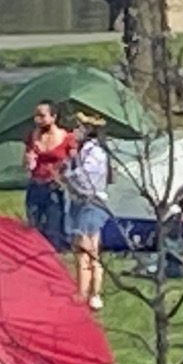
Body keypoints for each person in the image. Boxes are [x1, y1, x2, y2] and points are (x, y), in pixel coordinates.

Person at [63, 115, 112, 311]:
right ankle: (87, 292)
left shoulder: (95, 152)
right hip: (80, 203)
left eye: (79, 127)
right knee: (83, 249)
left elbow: (86, 178)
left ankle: (88, 293)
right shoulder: (81, 151)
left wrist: (67, 175)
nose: (74, 131)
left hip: (90, 203)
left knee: (86, 250)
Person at [22, 102, 74, 249]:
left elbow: (73, 162)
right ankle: (34, 252)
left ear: (53, 117)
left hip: (54, 186)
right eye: (36, 116)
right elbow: (26, 161)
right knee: (33, 224)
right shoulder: (33, 136)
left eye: (42, 116)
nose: (37, 120)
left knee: (54, 225)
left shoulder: (66, 138)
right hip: (36, 184)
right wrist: (28, 160)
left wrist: (63, 174)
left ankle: (53, 254)